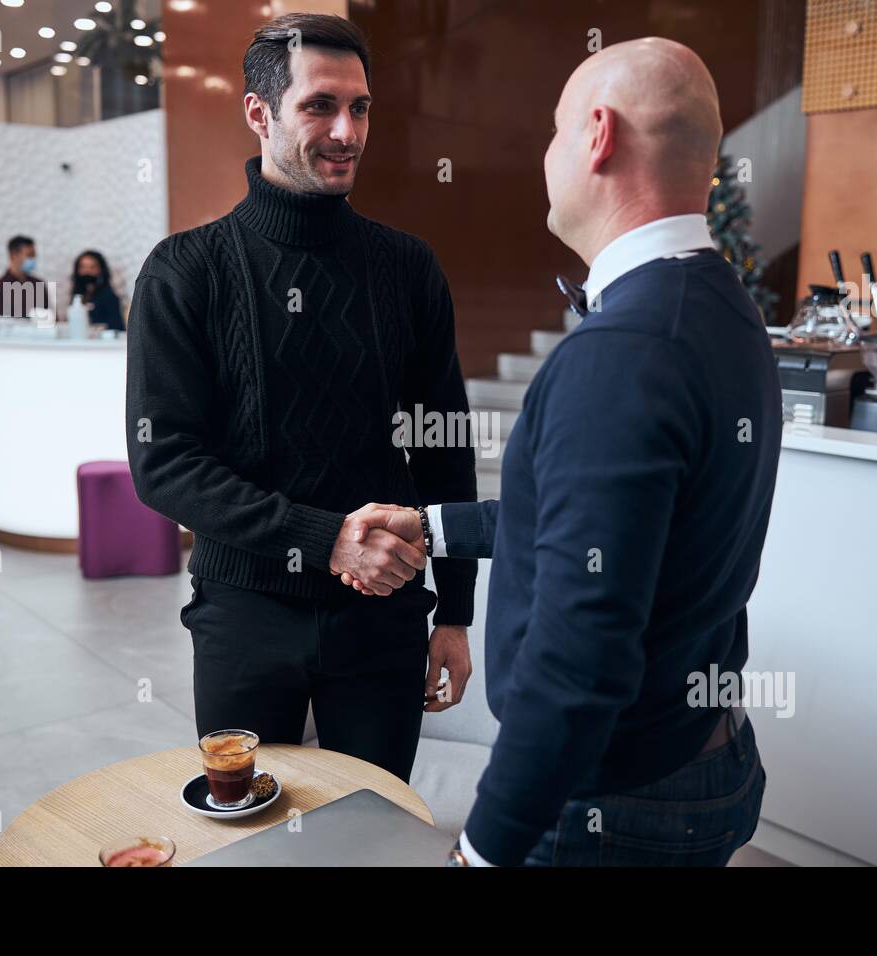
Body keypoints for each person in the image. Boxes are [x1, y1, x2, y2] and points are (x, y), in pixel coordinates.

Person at [343, 37, 782, 866]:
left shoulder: (625, 350)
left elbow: (578, 661)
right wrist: (435, 526)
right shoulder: (722, 304)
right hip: (702, 757)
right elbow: (611, 535)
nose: (545, 156)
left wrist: (483, 850)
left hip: (612, 805)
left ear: (598, 136)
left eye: (553, 132)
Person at [125, 13, 477, 784]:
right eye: (320, 105)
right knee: (247, 837)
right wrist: (327, 538)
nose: (347, 130)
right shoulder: (187, 271)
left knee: (372, 831)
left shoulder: (407, 268)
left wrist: (453, 610)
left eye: (361, 107)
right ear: (260, 113)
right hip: (244, 614)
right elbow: (166, 464)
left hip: (382, 616)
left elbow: (444, 443)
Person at [0, 235, 48, 319]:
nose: (33, 259)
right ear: (13, 255)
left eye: (34, 255)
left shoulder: (38, 284)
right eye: (29, 255)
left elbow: (50, 316)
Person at [70, 250, 124, 331]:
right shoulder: (76, 296)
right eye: (83, 267)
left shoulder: (109, 296)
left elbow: (117, 326)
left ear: (100, 270)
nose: (87, 271)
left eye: (92, 267)